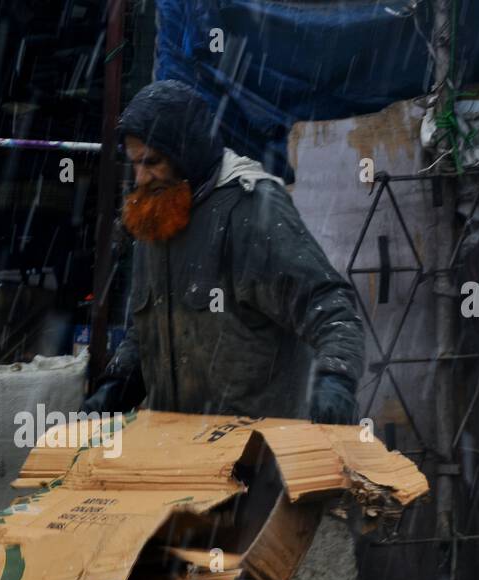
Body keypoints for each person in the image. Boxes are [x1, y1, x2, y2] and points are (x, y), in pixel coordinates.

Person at [82, 80, 365, 424]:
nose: (141, 178)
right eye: (134, 163)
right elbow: (145, 332)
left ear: (185, 152)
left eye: (152, 162)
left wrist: (334, 382)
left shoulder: (252, 208)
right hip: (179, 456)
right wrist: (116, 385)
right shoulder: (154, 214)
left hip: (259, 453)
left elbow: (330, 308)